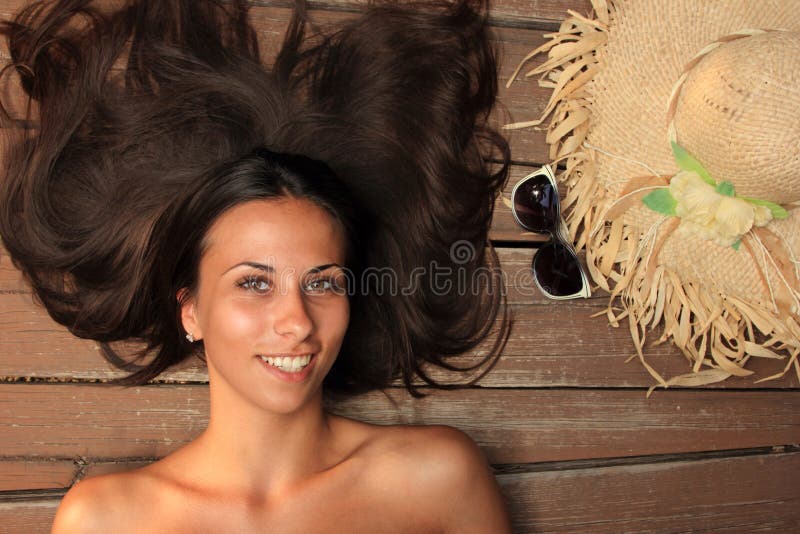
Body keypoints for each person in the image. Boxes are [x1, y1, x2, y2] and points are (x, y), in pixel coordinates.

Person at [0, 0, 514, 531]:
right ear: (191, 311)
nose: (296, 321)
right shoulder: (105, 520)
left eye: (322, 282)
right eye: (253, 282)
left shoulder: (438, 479)